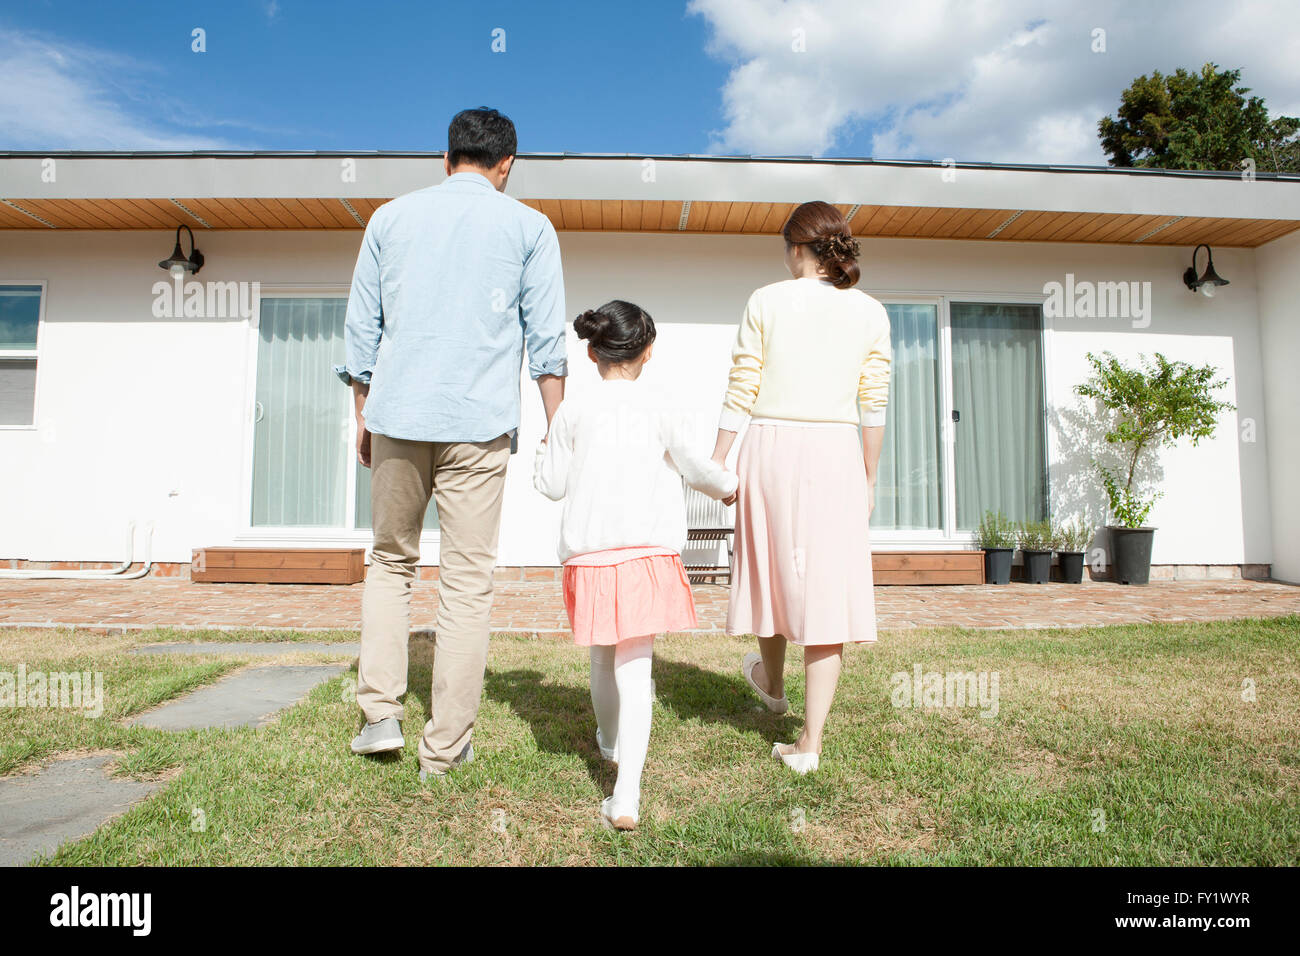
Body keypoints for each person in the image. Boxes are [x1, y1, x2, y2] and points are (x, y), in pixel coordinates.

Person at [338, 107, 568, 780]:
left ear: (446, 160)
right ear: (506, 166)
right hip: (477, 425)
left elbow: (362, 331)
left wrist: (363, 412)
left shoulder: (389, 218)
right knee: (467, 583)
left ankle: (380, 716)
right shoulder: (529, 226)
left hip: (398, 417)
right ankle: (444, 750)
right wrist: (559, 427)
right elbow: (547, 342)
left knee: (389, 562)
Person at [534, 300, 737, 830]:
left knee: (603, 660)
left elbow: (551, 485)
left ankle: (607, 745)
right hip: (647, 555)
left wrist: (543, 448)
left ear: (591, 351)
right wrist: (729, 487)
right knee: (636, 668)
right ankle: (626, 797)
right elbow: (698, 468)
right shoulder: (661, 405)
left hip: (593, 558)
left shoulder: (572, 411)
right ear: (648, 352)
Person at [710, 201, 891, 774]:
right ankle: (809, 743)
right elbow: (873, 402)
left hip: (770, 448)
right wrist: (869, 476)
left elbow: (743, 385)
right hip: (836, 452)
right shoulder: (870, 311)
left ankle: (771, 679)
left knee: (771, 570)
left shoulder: (766, 300)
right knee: (825, 591)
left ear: (796, 247)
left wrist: (717, 460)